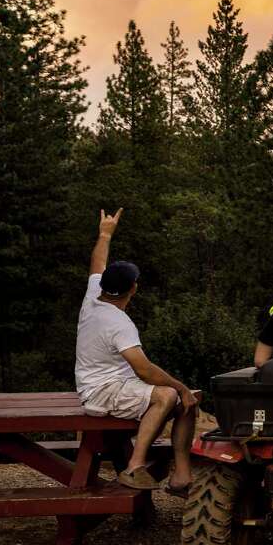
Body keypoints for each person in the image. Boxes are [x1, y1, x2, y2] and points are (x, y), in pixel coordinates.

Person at [76, 208, 200, 495]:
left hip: (105, 385)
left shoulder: (94, 297)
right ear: (134, 288)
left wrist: (105, 234)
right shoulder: (119, 323)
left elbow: (97, 264)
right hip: (102, 391)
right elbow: (143, 369)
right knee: (169, 394)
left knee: (189, 400)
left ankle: (181, 475)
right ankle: (134, 466)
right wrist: (179, 386)